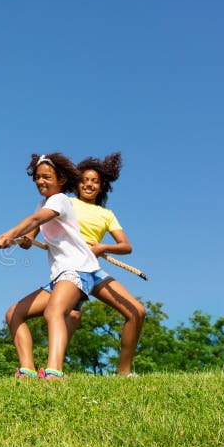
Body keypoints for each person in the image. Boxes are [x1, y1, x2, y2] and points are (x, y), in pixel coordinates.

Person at [0, 153, 104, 380]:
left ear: (61, 180)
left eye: (46, 177)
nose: (40, 181)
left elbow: (35, 221)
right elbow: (30, 236)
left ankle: (54, 372)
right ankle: (26, 369)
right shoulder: (42, 204)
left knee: (54, 312)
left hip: (78, 269)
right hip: (59, 275)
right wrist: (20, 239)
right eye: (37, 177)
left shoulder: (60, 200)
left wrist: (10, 233)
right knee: (13, 314)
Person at [66, 152, 145, 375]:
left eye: (94, 181)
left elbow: (126, 246)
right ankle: (54, 371)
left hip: (94, 270)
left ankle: (124, 372)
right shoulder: (68, 203)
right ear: (77, 183)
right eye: (84, 180)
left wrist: (102, 248)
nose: (89, 184)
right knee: (71, 316)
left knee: (137, 311)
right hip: (70, 269)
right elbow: (45, 221)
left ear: (101, 187)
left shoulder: (106, 214)